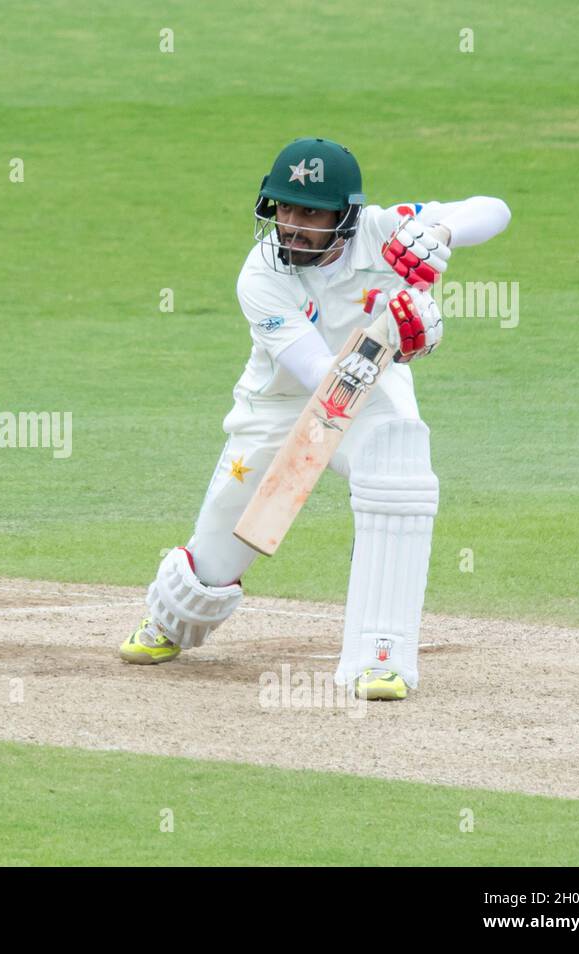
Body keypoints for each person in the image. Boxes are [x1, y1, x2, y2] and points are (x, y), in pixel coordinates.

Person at [118, 137, 511, 700]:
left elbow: (495, 209)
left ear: (346, 216)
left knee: (398, 471)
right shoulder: (261, 276)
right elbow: (322, 376)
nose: (292, 226)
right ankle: (172, 620)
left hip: (373, 390)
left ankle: (380, 657)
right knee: (218, 550)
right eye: (285, 208)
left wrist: (440, 233)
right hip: (280, 402)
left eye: (310, 213)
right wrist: (400, 335)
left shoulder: (384, 229)